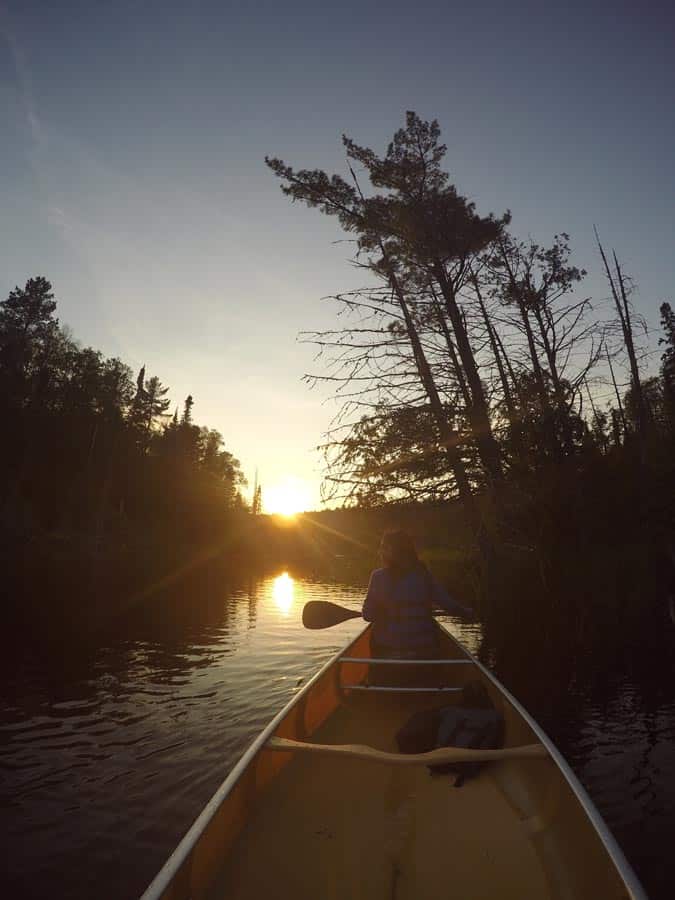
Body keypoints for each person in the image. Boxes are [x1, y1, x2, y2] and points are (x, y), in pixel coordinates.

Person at [363, 529, 473, 659]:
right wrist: (467, 612)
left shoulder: (378, 577)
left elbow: (367, 615)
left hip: (386, 649)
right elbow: (450, 606)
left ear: (393, 550)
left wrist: (383, 612)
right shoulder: (424, 575)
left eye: (383, 547)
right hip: (423, 649)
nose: (379, 551)